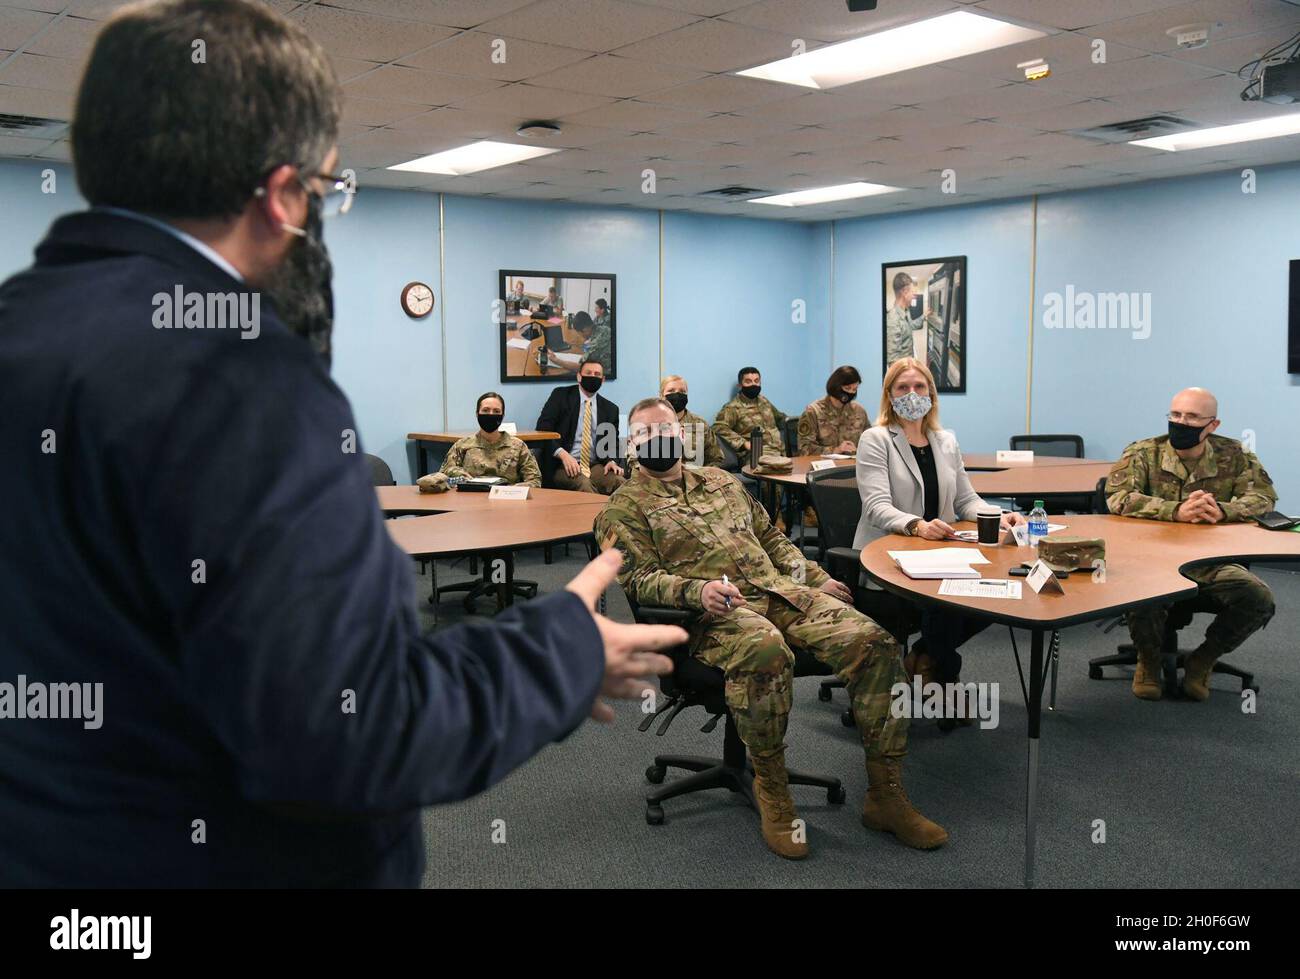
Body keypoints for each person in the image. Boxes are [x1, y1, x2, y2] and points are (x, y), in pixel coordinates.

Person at [0, 0, 681, 888]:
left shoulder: (22, 327)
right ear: (283, 195)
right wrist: (559, 653)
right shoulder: (241, 378)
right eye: (327, 191)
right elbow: (343, 731)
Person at [597, 397, 948, 860]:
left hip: (780, 593)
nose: (657, 439)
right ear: (631, 444)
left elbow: (772, 539)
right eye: (644, 434)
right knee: (767, 650)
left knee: (874, 642)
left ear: (682, 435)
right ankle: (774, 794)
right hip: (711, 617)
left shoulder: (724, 482)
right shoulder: (623, 507)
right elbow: (639, 580)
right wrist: (696, 590)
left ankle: (885, 795)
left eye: (664, 429)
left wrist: (816, 577)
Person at [853, 359, 1023, 728]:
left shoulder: (945, 440)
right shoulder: (876, 439)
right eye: (902, 388)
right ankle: (945, 682)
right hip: (890, 555)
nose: (912, 395)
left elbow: (965, 500)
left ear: (931, 393)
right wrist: (916, 525)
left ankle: (922, 657)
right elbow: (877, 507)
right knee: (943, 605)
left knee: (995, 594)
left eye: (919, 387)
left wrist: (997, 515)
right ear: (888, 395)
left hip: (942, 552)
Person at [1106, 387, 1277, 702]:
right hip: (1153, 558)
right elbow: (1118, 498)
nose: (1181, 422)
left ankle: (1203, 660)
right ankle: (1149, 661)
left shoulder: (1235, 455)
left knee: (1258, 598)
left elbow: (1264, 497)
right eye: (1176, 415)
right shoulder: (1143, 452)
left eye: (1192, 417)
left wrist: (1225, 510)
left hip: (1211, 560)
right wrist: (1175, 510)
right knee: (1142, 594)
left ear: (1213, 425)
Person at [535, 357, 625, 494]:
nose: (592, 377)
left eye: (597, 375)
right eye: (588, 373)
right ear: (579, 376)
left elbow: (612, 443)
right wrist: (562, 454)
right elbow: (542, 431)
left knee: (620, 482)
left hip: (595, 465)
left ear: (603, 380)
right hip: (561, 464)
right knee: (584, 484)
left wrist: (611, 461)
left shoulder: (610, 409)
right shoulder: (560, 396)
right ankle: (593, 516)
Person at [439, 392, 541, 487]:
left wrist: (509, 490)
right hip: (471, 499)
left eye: (496, 411)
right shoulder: (462, 445)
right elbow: (444, 474)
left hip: (506, 500)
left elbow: (534, 480)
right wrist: (465, 479)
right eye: (485, 410)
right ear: (477, 413)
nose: (491, 414)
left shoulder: (518, 446)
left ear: (502, 415)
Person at [626, 375, 723, 471]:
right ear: (661, 395)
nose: (677, 395)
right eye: (671, 391)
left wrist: (703, 476)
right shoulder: (648, 422)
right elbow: (633, 458)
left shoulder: (699, 424)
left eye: (682, 391)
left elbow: (715, 458)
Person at [713, 366, 787, 466]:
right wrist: (743, 443)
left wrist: (806, 415)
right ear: (740, 385)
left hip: (780, 452)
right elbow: (719, 427)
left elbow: (781, 419)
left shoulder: (764, 401)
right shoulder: (733, 407)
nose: (753, 384)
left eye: (756, 381)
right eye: (748, 381)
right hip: (756, 456)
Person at [798, 364, 868, 455]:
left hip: (852, 465)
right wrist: (835, 450)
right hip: (824, 466)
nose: (851, 392)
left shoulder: (859, 411)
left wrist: (858, 450)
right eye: (847, 388)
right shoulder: (813, 412)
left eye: (854, 389)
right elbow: (804, 449)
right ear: (836, 386)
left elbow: (869, 442)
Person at [885, 272, 941, 367]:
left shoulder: (906, 311)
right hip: (903, 374)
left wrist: (924, 316)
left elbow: (911, 326)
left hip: (909, 365)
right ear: (905, 292)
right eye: (912, 292)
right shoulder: (893, 319)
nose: (913, 296)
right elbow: (893, 363)